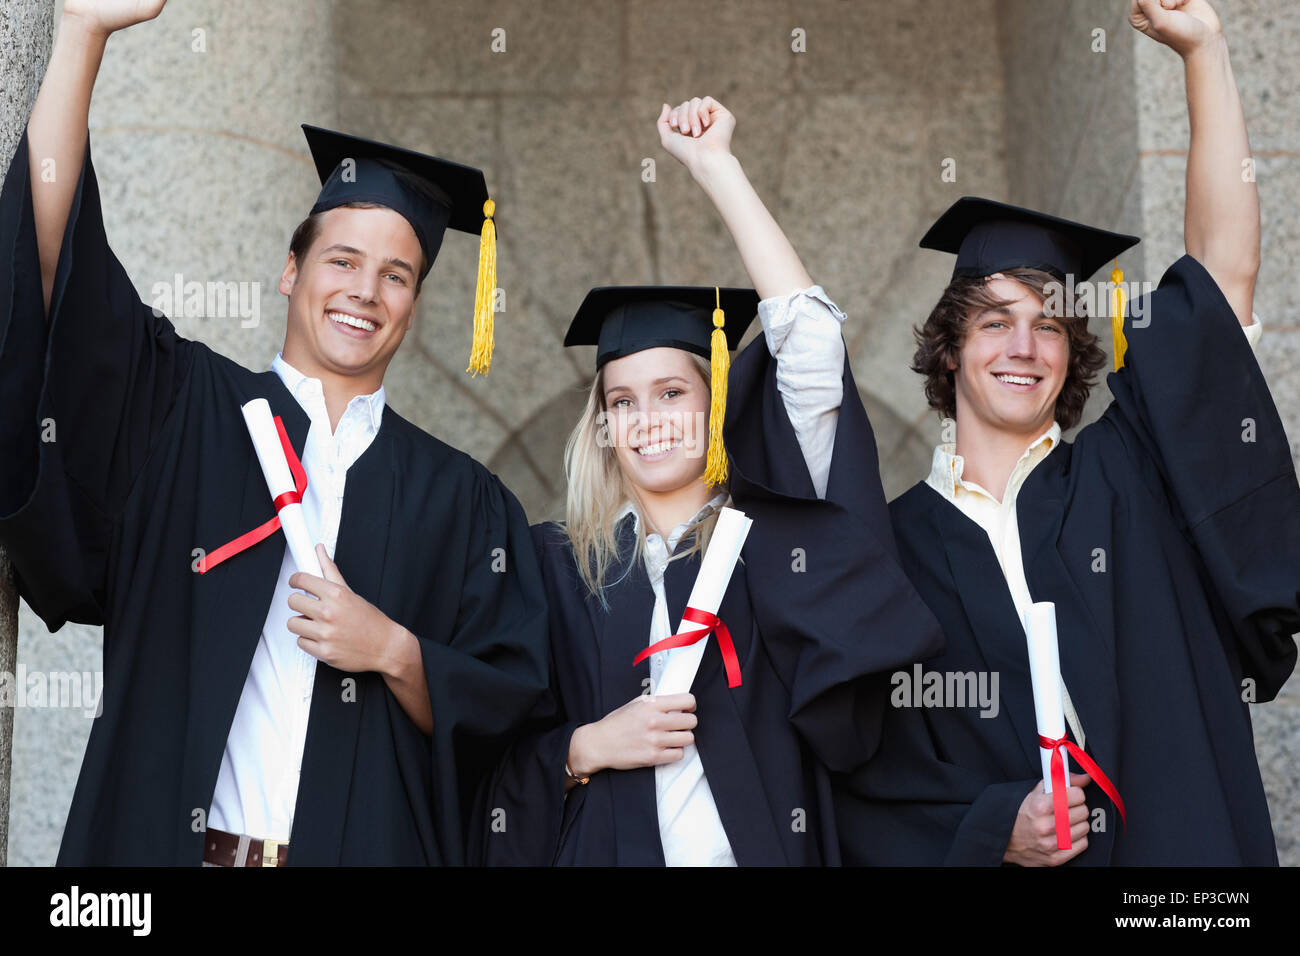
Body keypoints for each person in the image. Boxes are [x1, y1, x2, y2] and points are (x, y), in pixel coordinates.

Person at [0, 0, 548, 865]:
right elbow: (53, 261)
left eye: (395, 275)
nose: (365, 291)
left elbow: (516, 717)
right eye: (342, 261)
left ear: (413, 304)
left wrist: (397, 652)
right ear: (292, 271)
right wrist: (82, 33)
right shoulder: (186, 409)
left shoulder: (463, 503)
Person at [829, 0, 1299, 865]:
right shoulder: (894, 548)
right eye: (995, 322)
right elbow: (871, 784)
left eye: (1049, 324)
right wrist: (992, 829)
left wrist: (1206, 53)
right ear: (950, 348)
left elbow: (1221, 278)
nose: (1023, 346)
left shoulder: (1133, 474)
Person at [471, 97, 943, 865]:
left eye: (673, 392)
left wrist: (717, 168)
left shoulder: (777, 554)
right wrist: (585, 747)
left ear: (716, 403)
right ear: (603, 426)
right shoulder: (556, 567)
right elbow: (484, 768)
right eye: (622, 401)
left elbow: (812, 346)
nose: (648, 417)